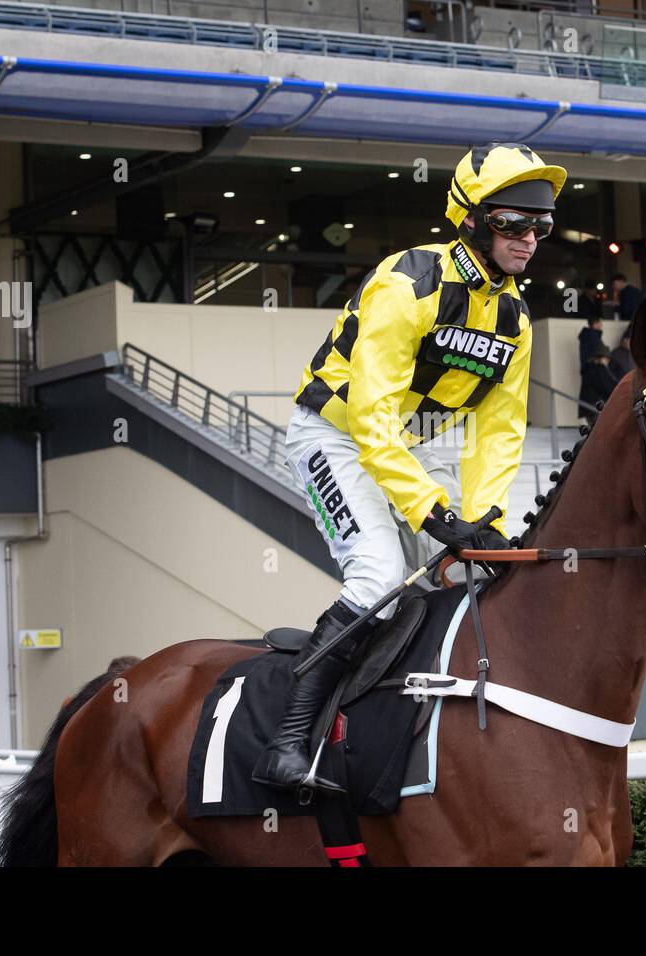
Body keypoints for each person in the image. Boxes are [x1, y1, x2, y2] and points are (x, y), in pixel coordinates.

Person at [253, 142, 566, 793]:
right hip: (335, 434)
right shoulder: (408, 281)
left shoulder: (517, 318)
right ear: (472, 219)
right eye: (513, 221)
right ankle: (284, 741)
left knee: (470, 581)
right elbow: (371, 417)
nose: (530, 238)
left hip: (410, 449)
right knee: (378, 574)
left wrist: (482, 523)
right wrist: (433, 513)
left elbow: (498, 432)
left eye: (541, 225)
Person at [579, 343, 619, 425]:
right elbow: (607, 386)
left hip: (589, 407)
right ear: (603, 358)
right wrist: (619, 390)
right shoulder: (599, 369)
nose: (608, 362)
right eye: (607, 359)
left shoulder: (589, 369)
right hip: (597, 406)